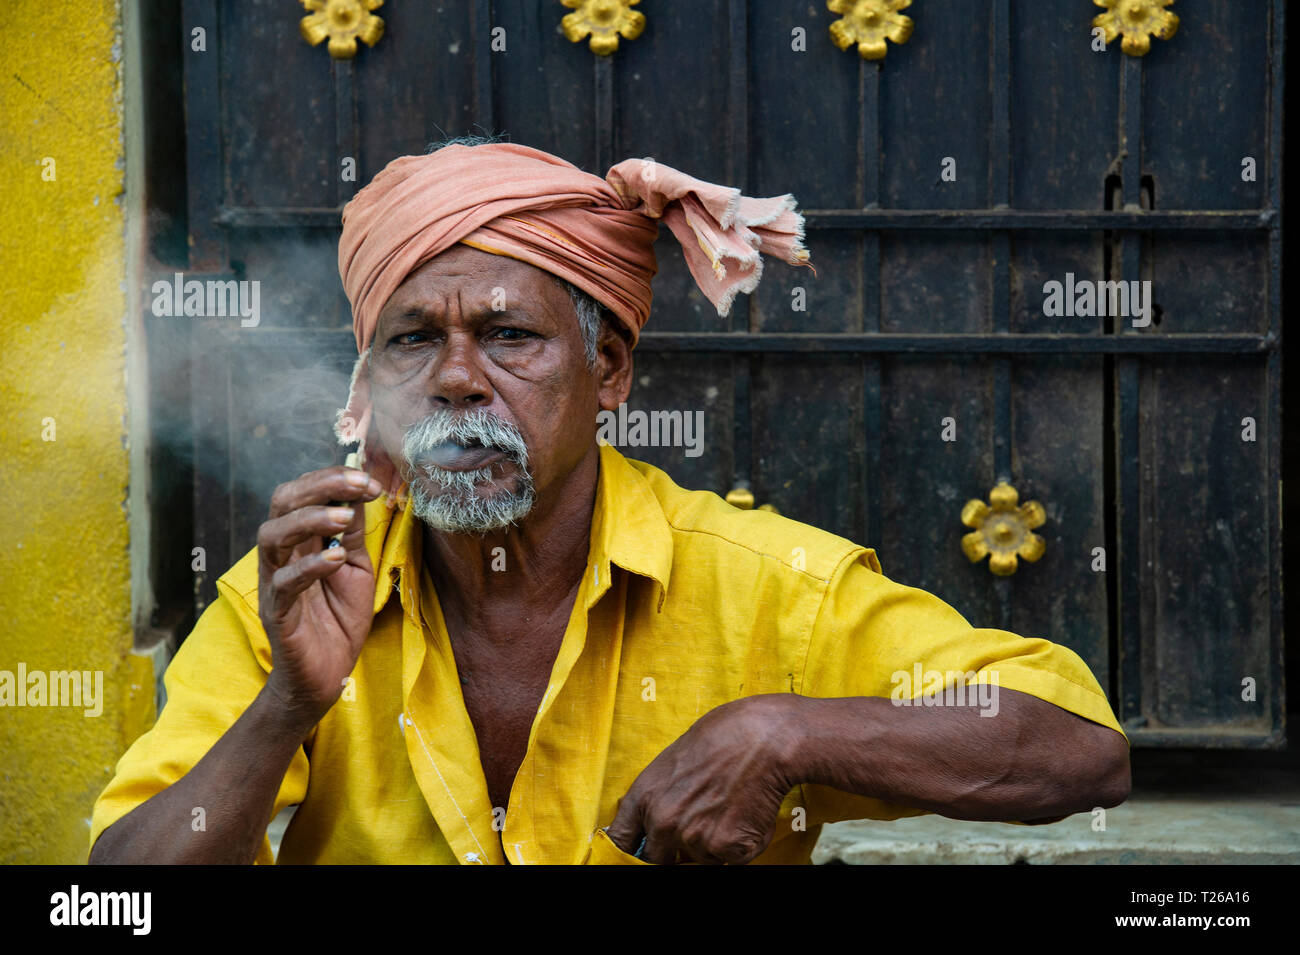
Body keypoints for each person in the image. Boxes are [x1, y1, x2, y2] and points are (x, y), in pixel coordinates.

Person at [88, 137, 1129, 865]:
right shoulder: (300, 597)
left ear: (612, 371)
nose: (455, 379)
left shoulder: (763, 584)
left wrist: (782, 734)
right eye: (412, 340)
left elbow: (1080, 748)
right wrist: (285, 710)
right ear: (370, 387)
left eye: (509, 336)